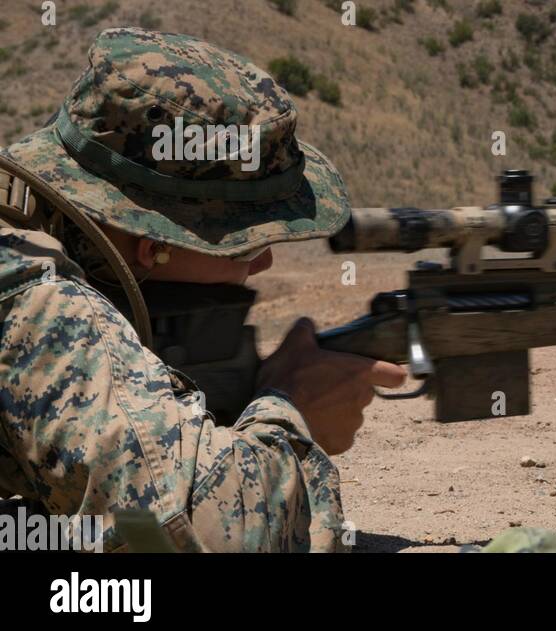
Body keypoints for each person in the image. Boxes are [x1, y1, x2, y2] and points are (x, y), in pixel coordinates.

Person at [0, 28, 405, 552]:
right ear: (152, 242)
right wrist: (290, 413)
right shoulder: (34, 295)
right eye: (244, 240)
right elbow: (197, 538)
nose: (263, 261)